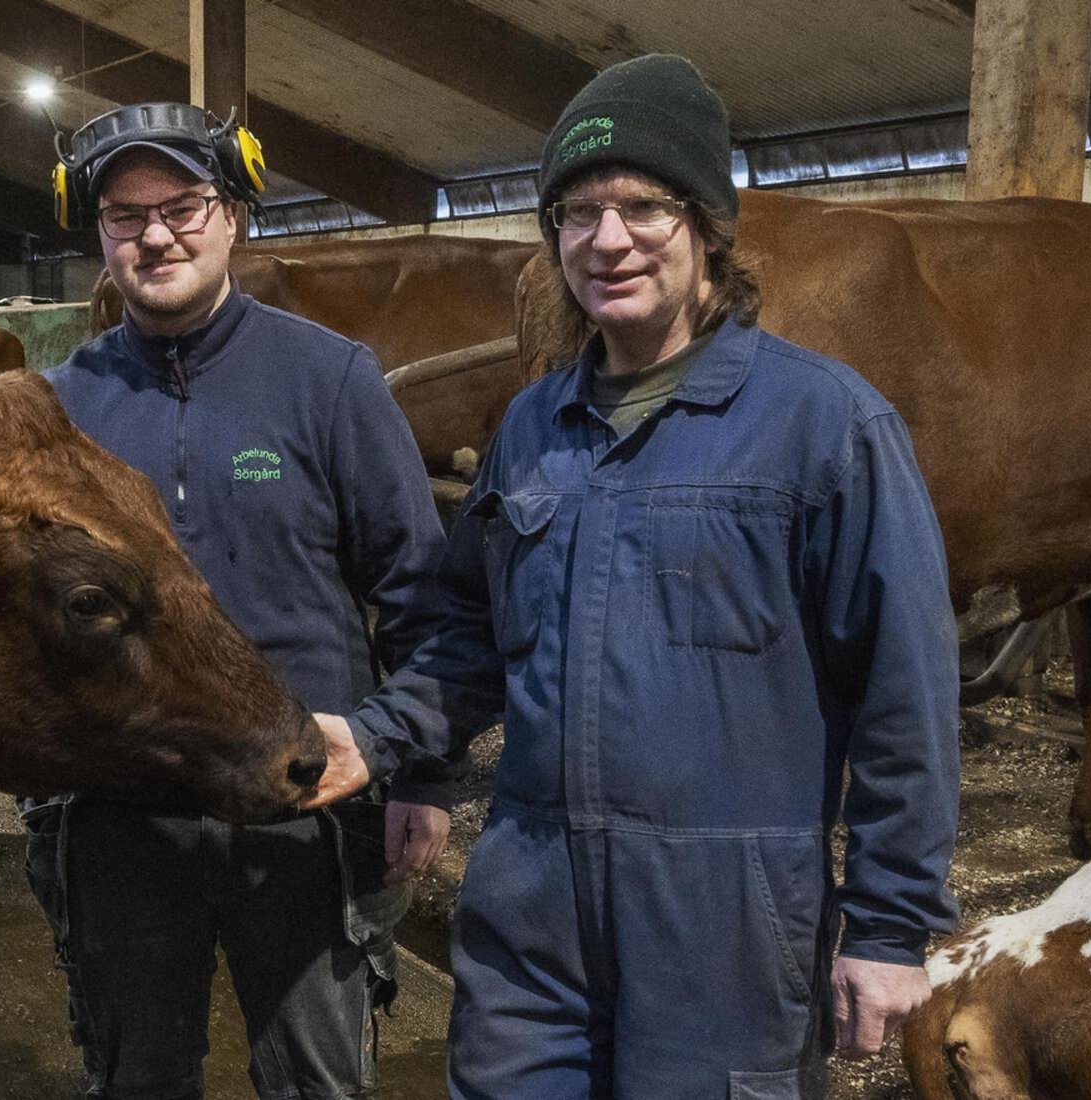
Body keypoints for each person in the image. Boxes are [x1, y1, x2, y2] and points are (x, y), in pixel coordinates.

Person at [318, 55, 962, 1099]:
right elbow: (467, 630)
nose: (606, 240)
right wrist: (379, 736)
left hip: (728, 923)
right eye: (575, 213)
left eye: (642, 207)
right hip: (532, 904)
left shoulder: (823, 425)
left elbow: (906, 689)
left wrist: (889, 921)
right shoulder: (533, 424)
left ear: (706, 226)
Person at [27, 101, 461, 1100]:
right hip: (125, 813)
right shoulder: (60, 406)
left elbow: (418, 590)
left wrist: (421, 771)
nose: (154, 233)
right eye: (123, 214)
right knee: (137, 1073)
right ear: (96, 232)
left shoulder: (329, 379)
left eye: (181, 203)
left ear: (233, 214)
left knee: (314, 1076)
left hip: (305, 802)